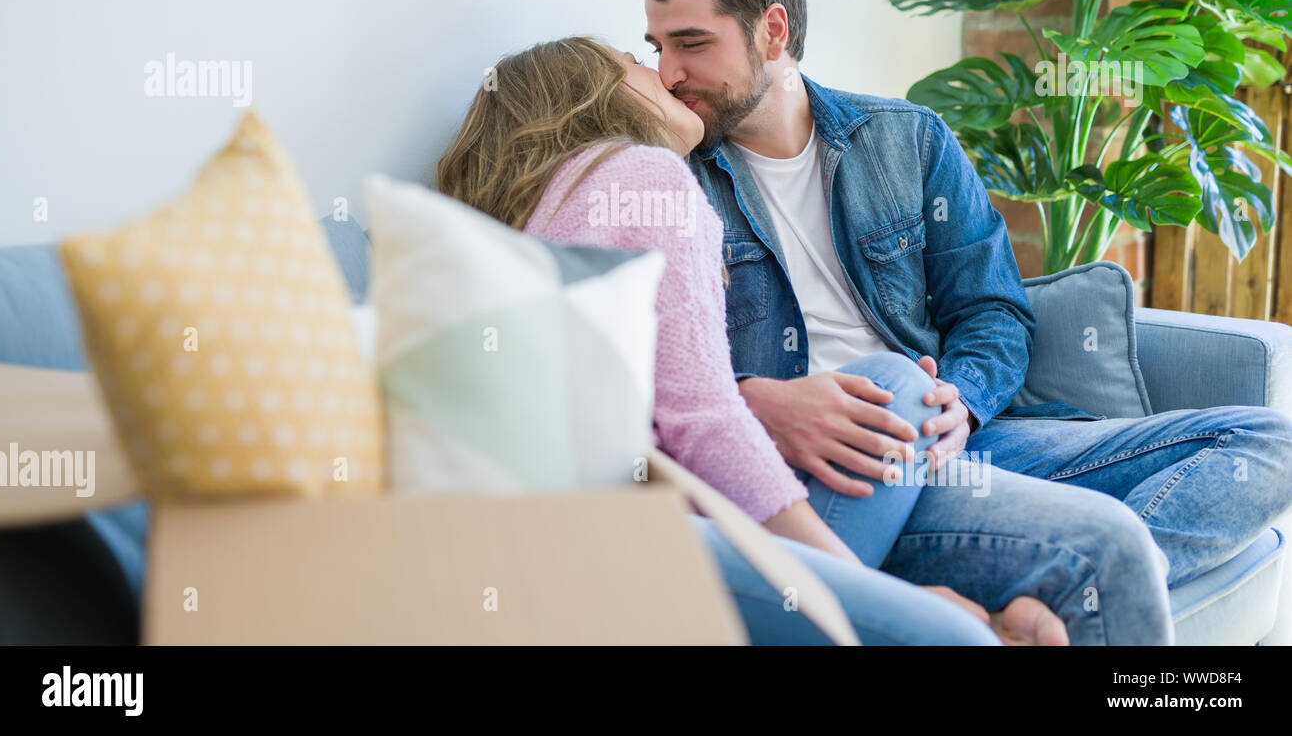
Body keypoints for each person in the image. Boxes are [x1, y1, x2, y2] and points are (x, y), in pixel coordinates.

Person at [631, 0, 1292, 638]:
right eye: (658, 48)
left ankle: (1064, 578)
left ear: (773, 32)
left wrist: (963, 402)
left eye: (692, 44)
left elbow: (994, 312)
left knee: (1267, 441)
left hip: (962, 443)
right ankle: (1054, 572)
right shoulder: (670, 181)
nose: (669, 74)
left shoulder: (906, 140)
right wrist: (757, 400)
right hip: (829, 475)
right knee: (1100, 541)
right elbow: (654, 381)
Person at [436, 36, 1164, 644]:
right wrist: (845, 576)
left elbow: (647, 427)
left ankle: (966, 614)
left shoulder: (536, 223)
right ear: (592, 95)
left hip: (597, 531)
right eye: (637, 57)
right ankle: (945, 614)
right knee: (899, 385)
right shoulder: (647, 178)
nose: (661, 72)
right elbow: (701, 422)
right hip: (675, 542)